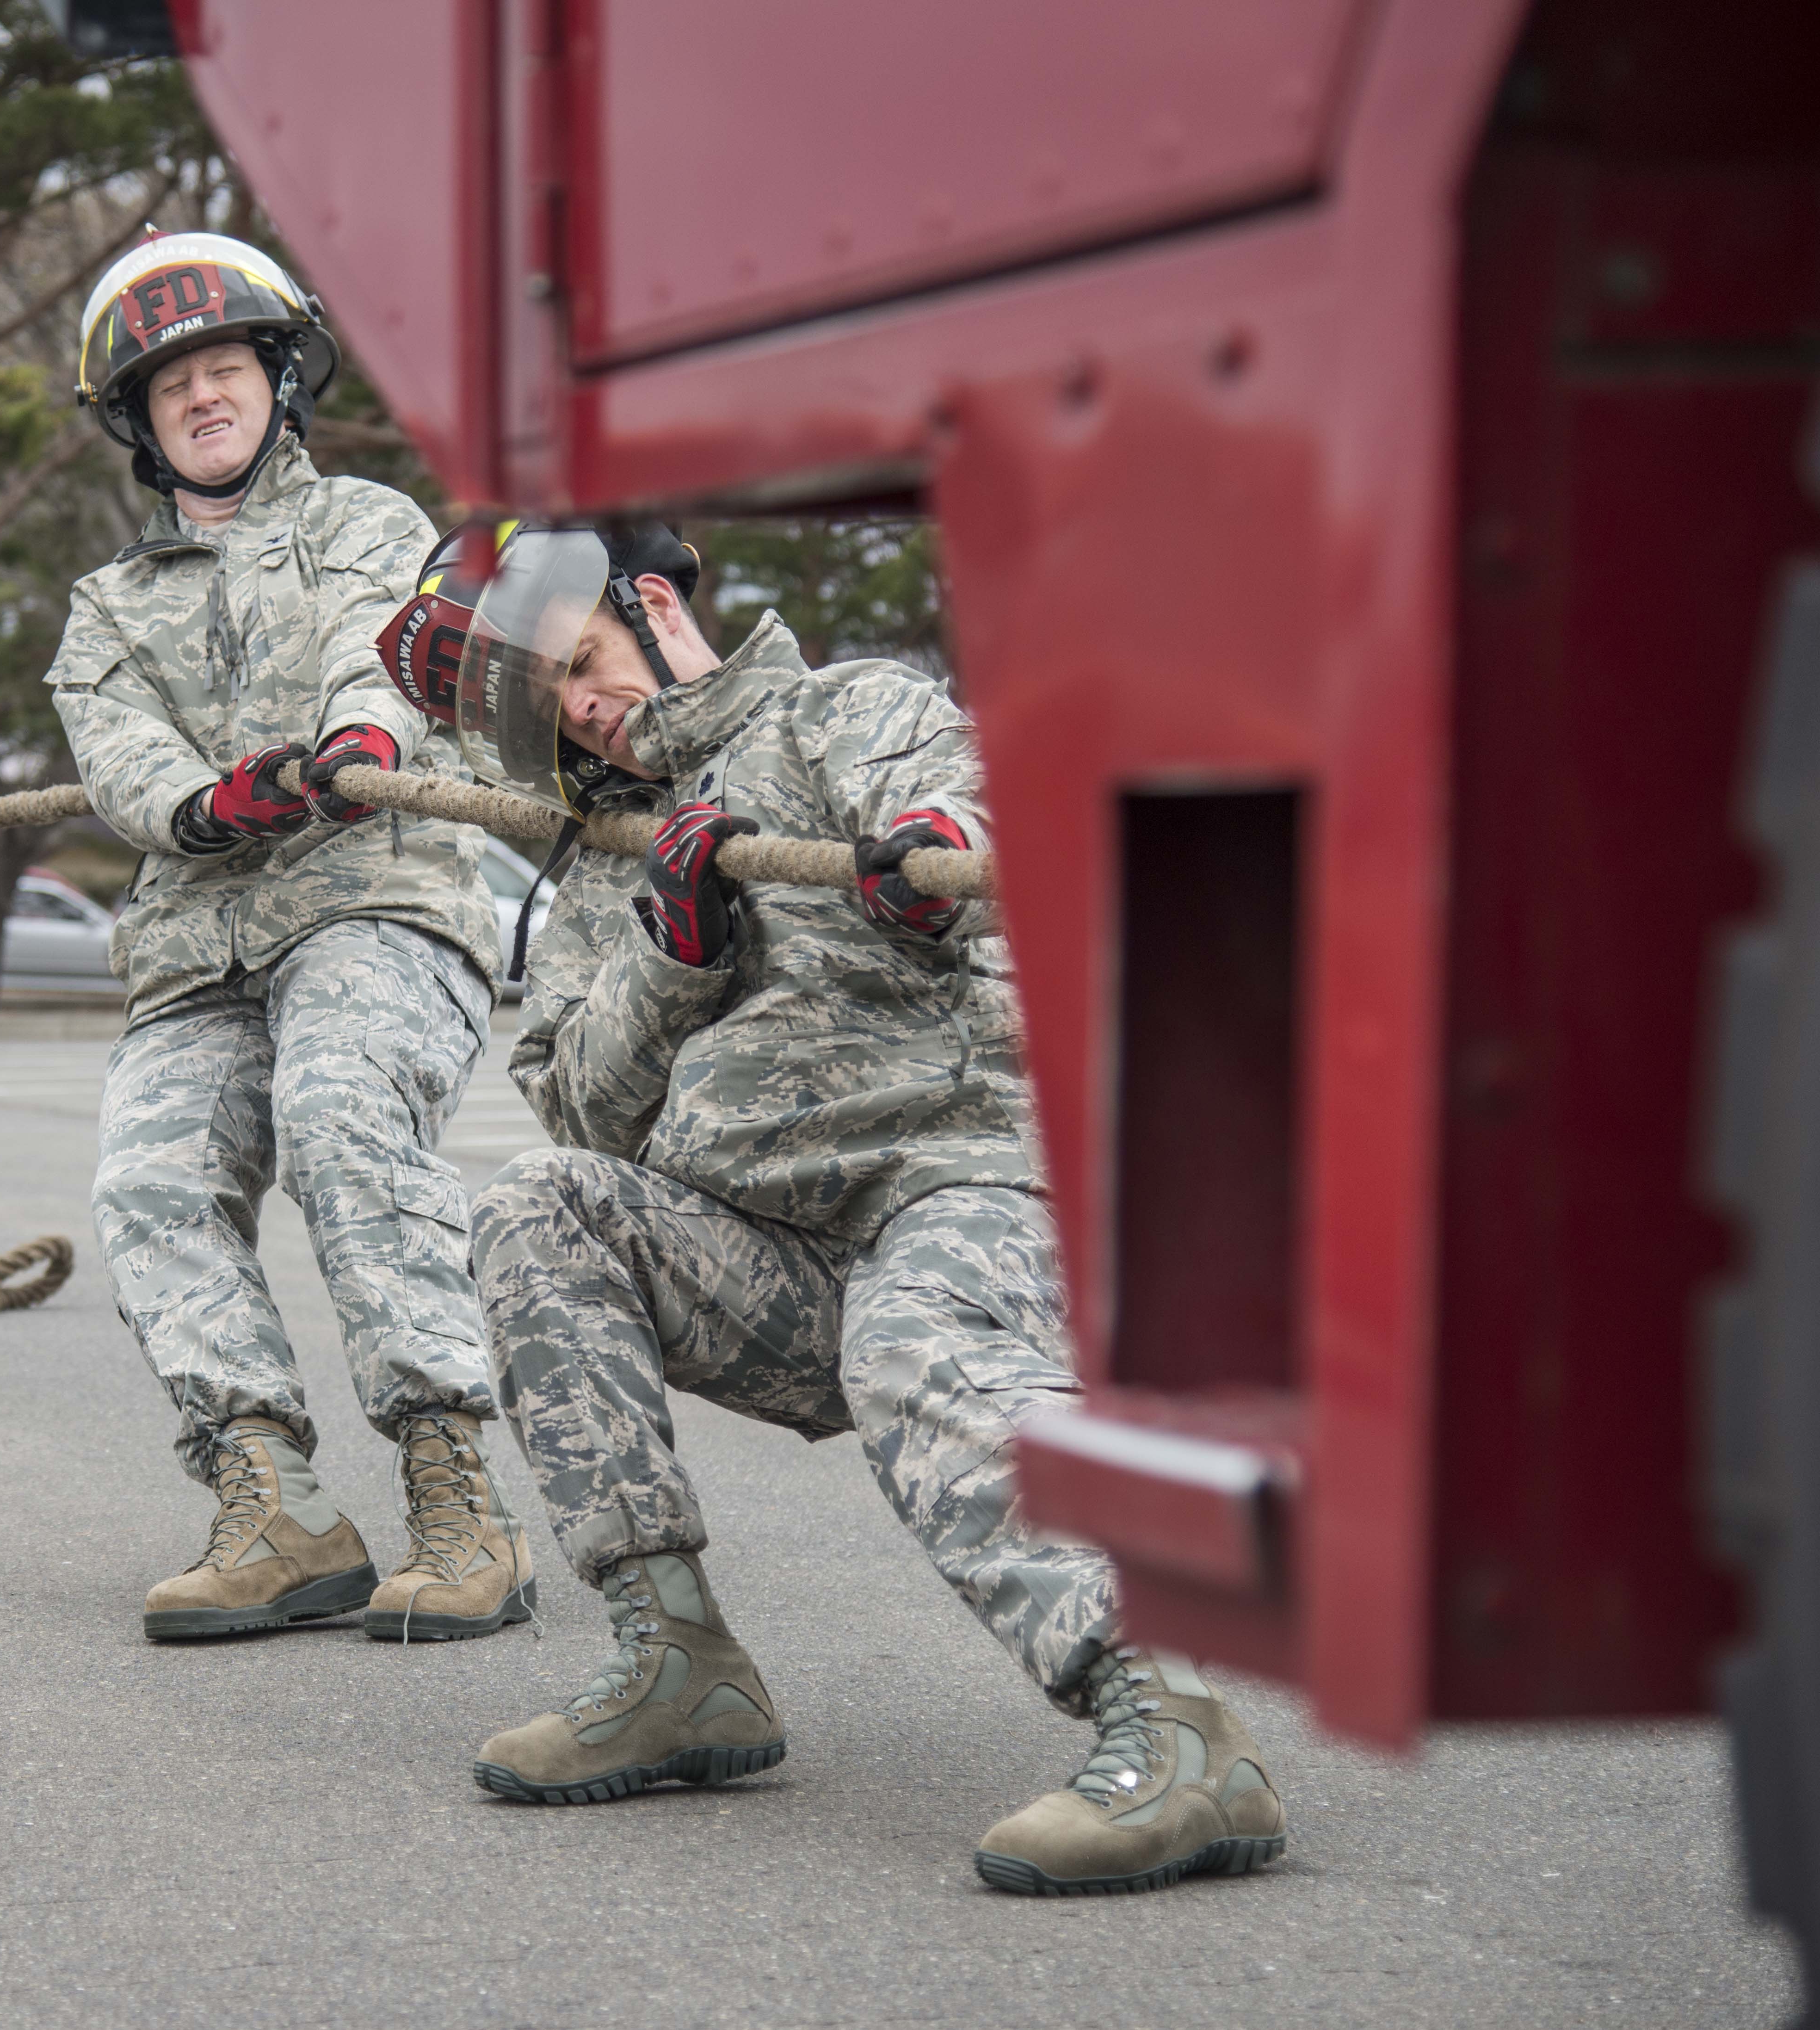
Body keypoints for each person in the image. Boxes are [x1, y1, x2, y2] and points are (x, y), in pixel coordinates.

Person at [377, 521, 1289, 1894]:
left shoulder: (838, 714)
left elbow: (981, 811)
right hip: (780, 1259)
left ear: (651, 602)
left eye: (588, 659)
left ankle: (1175, 1724)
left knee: (914, 1325)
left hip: (970, 1184)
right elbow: (579, 1102)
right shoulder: (602, 868)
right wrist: (670, 958)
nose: (588, 705)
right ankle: (677, 1663)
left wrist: (925, 861)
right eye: (555, 702)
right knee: (540, 1203)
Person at [49, 232, 529, 1643]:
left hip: (372, 900)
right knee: (146, 1178)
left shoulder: (372, 525)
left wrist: (359, 736)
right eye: (169, 385)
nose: (202, 397)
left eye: (223, 367)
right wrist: (206, 804)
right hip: (199, 944)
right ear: (139, 425)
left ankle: (458, 1498)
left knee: (337, 1118)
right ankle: (273, 1505)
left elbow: (374, 645)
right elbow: (120, 755)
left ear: (277, 379)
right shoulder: (105, 611)